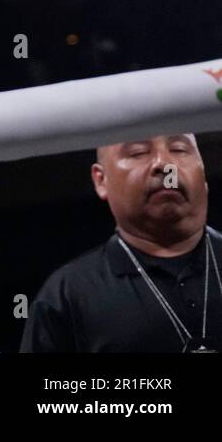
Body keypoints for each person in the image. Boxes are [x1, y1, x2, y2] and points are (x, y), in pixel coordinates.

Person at [21, 133, 221, 352]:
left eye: (179, 149)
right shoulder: (66, 295)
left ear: (202, 172)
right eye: (138, 152)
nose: (164, 164)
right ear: (101, 180)